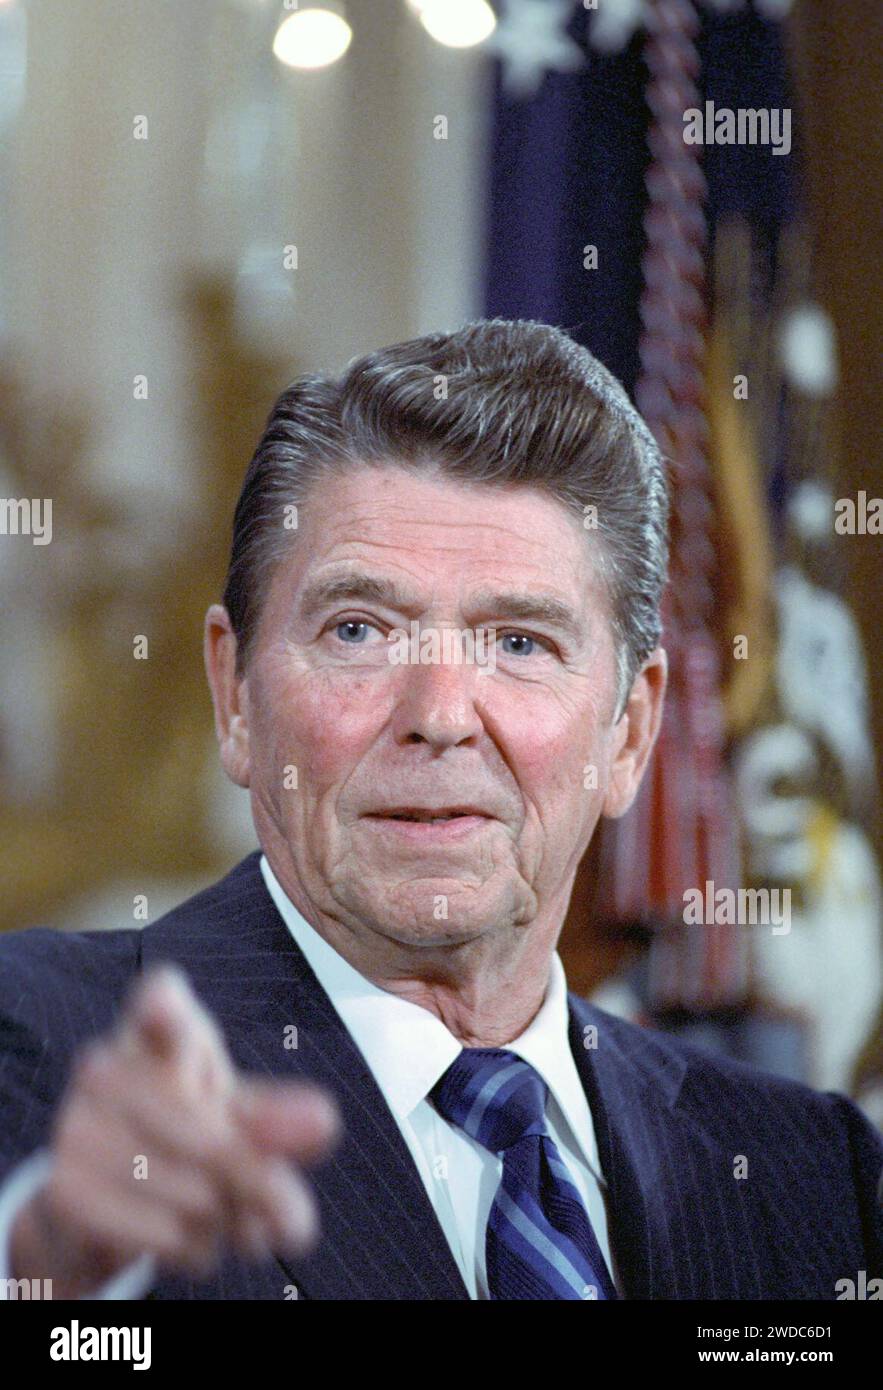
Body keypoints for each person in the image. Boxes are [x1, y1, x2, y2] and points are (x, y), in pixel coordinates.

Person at [1, 319, 880, 1301]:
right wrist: (47, 1266)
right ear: (234, 693)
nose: (439, 716)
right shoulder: (35, 1055)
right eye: (359, 629)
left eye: (518, 642)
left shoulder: (814, 1173)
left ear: (629, 734)